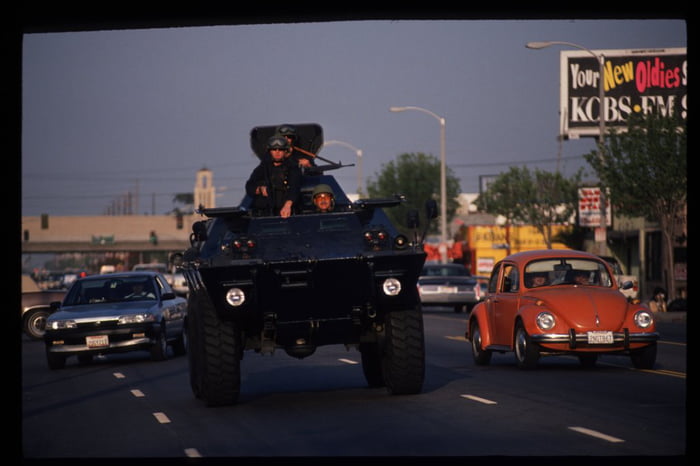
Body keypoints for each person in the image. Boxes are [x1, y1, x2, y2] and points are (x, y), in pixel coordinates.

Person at [245, 135, 302, 218]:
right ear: (270, 151)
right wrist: (260, 189)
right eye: (274, 149)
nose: (277, 152)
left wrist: (288, 205)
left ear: (285, 151)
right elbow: (249, 186)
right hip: (266, 214)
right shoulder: (263, 168)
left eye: (280, 149)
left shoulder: (293, 168)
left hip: (288, 214)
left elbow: (295, 187)